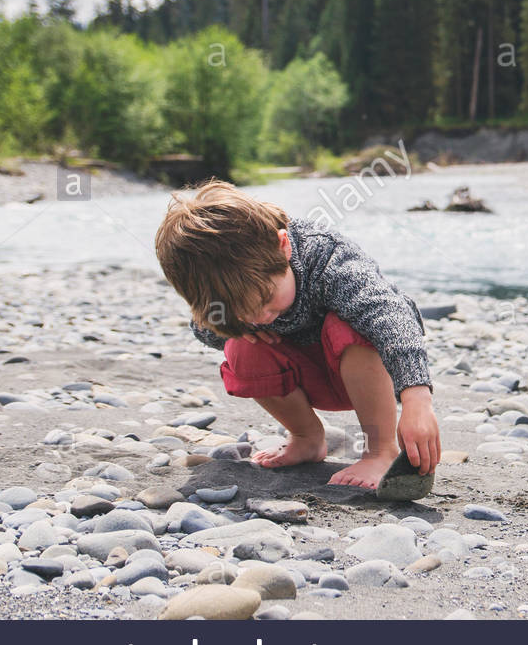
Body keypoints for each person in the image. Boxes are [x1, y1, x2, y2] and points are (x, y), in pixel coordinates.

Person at [154, 179, 440, 489]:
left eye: (264, 300)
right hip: (302, 383)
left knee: (349, 325)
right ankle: (307, 437)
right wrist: (233, 327)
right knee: (239, 346)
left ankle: (380, 450)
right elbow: (201, 327)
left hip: (365, 376)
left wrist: (416, 399)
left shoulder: (327, 256)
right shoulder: (231, 299)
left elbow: (391, 314)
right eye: (243, 310)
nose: (260, 316)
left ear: (283, 246)